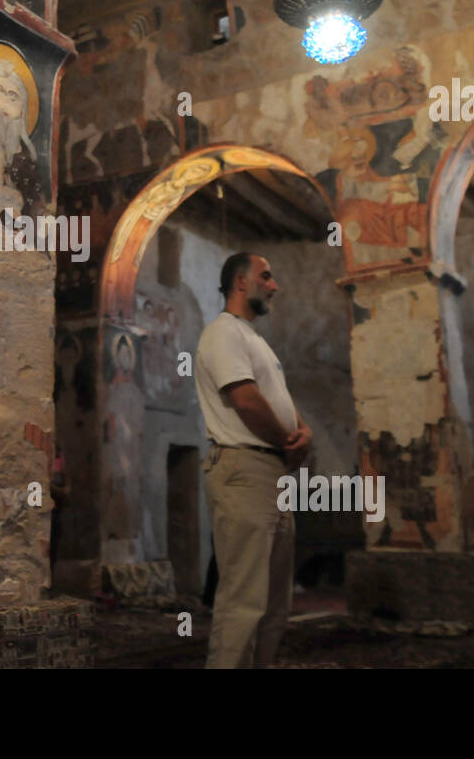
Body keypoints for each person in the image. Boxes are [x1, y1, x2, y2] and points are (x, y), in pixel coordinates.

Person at [194, 253, 310, 668]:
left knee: (275, 605)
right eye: (267, 276)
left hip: (272, 472)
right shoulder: (222, 333)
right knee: (243, 601)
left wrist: (304, 430)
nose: (274, 285)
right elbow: (246, 400)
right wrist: (287, 442)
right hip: (245, 469)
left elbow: (278, 400)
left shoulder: (256, 341)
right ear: (240, 283)